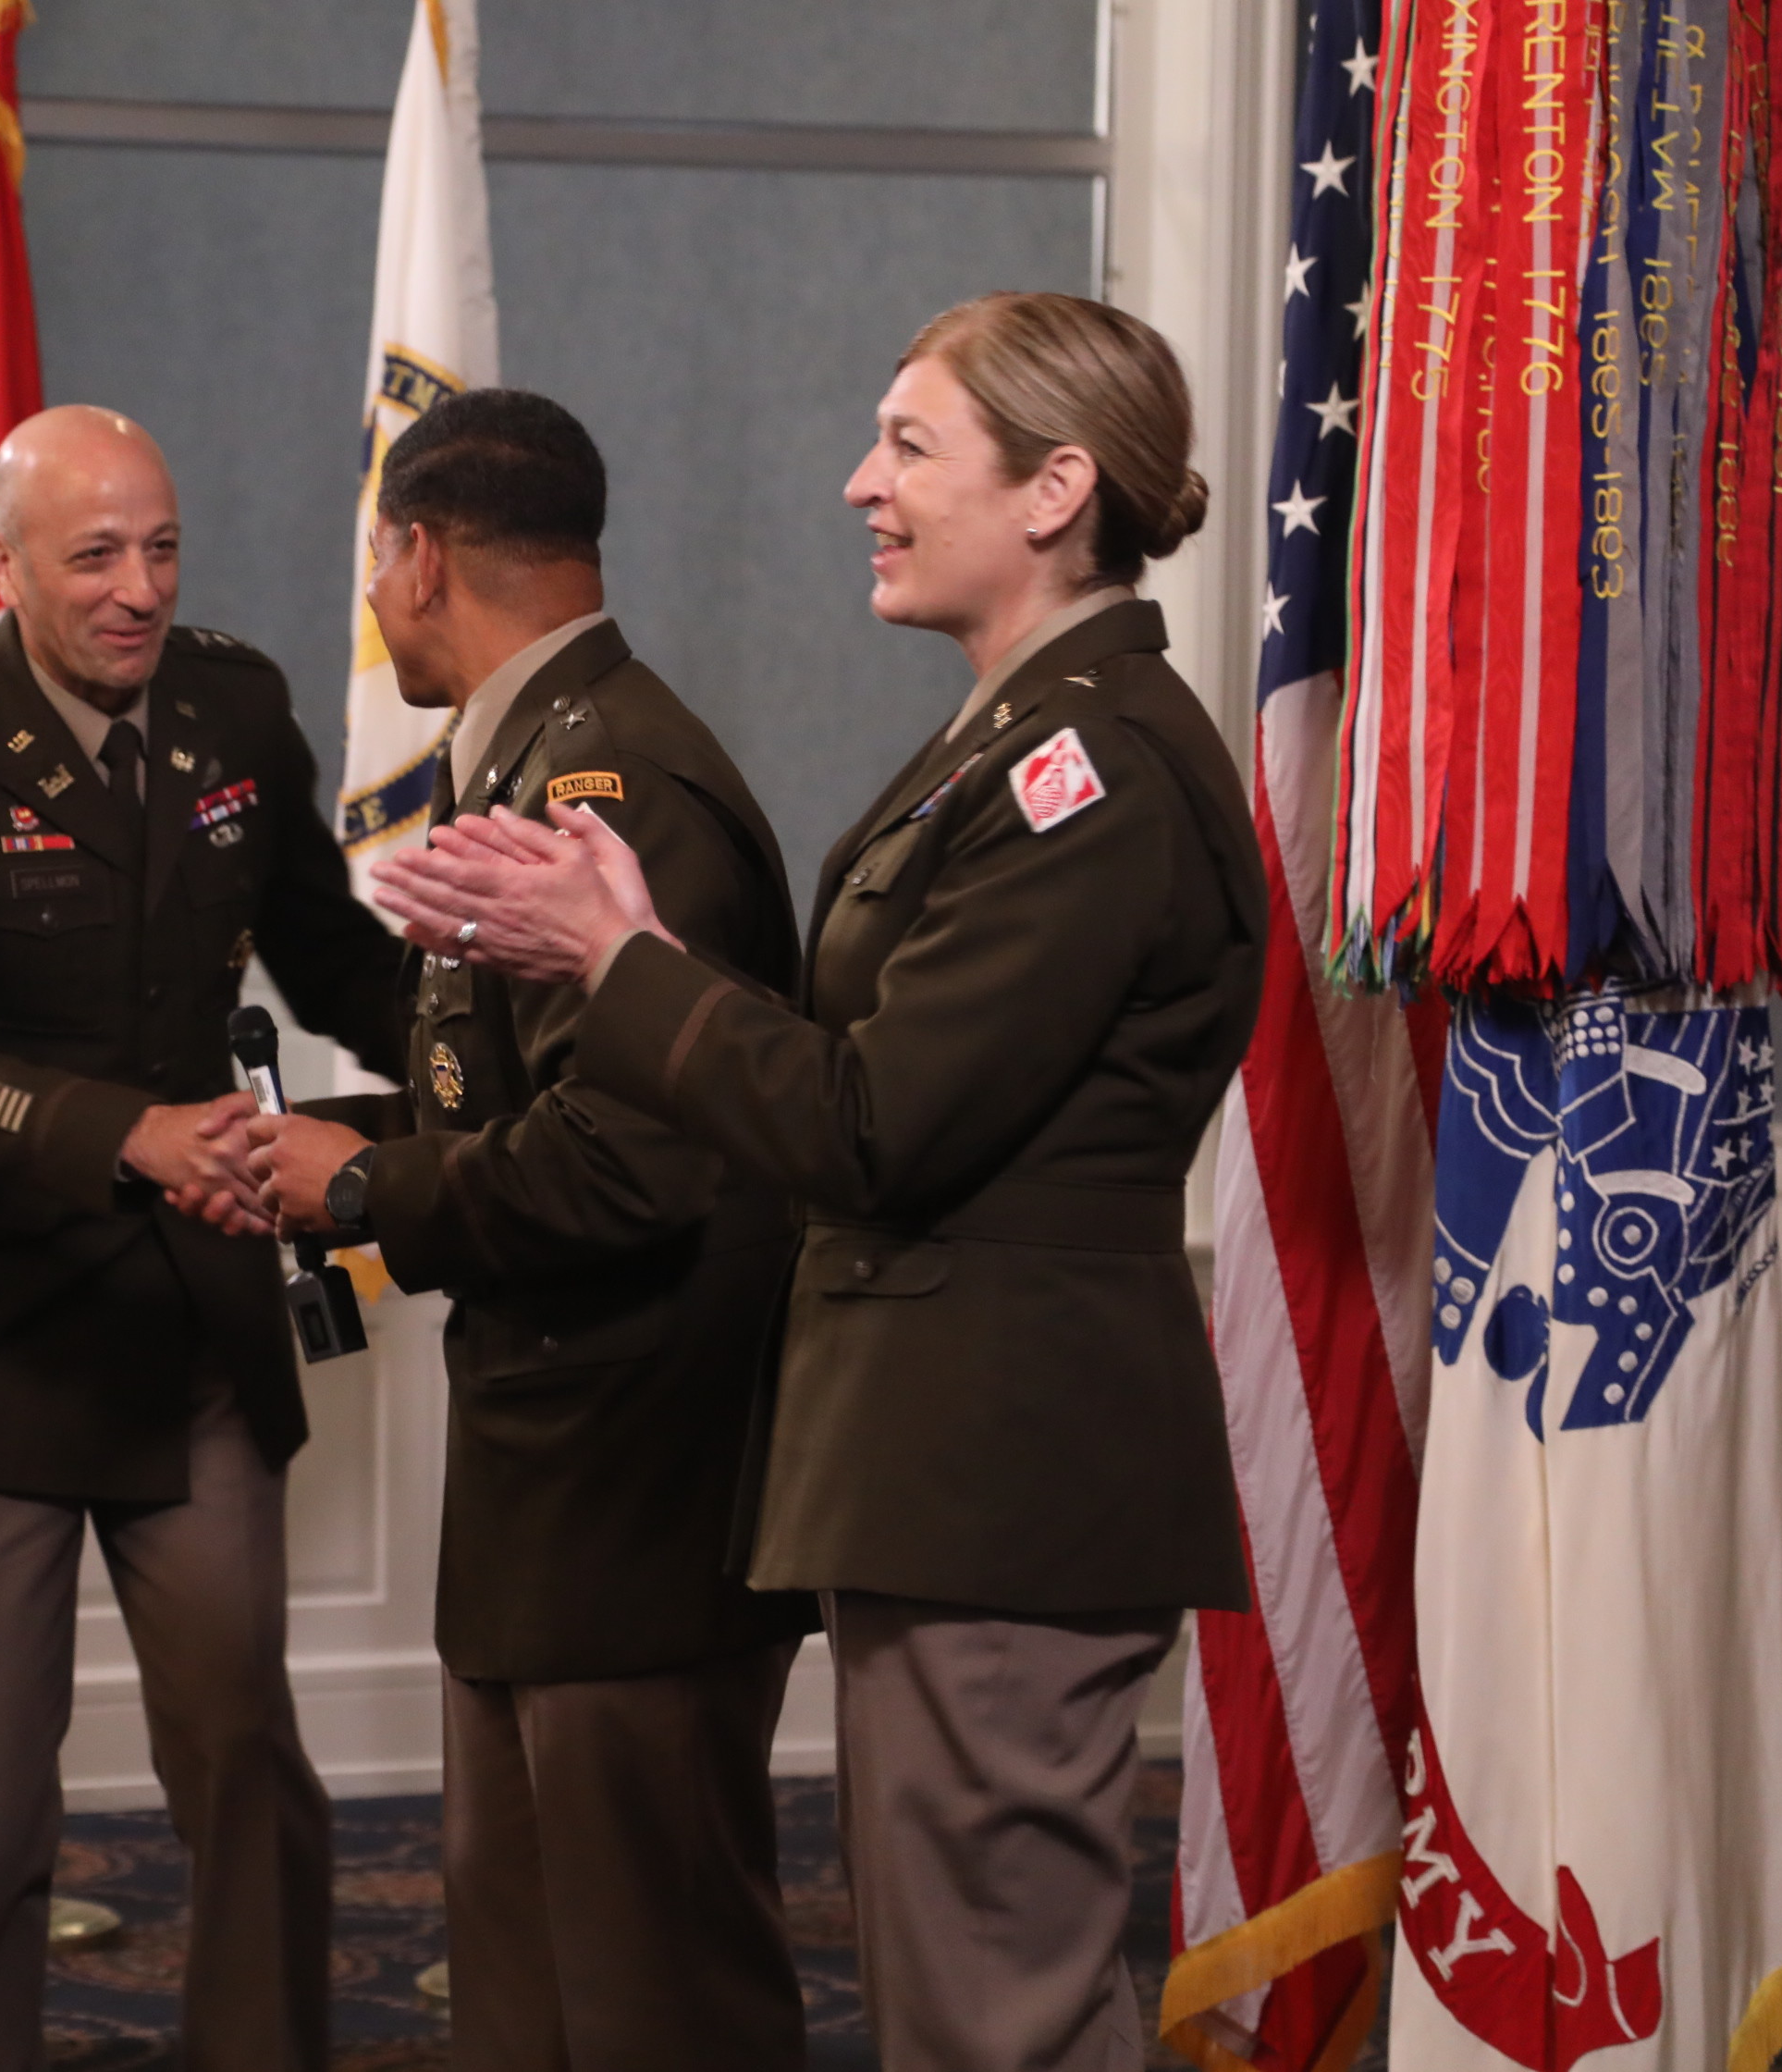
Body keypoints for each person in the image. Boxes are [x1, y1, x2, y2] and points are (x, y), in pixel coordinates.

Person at [375, 295, 1266, 2072]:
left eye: (911, 444)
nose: (862, 481)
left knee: (996, 2019)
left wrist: (619, 957)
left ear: (1053, 490)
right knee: (960, 2006)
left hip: (1003, 1469)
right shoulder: (1008, 743)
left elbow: (876, 1124)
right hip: (935, 1466)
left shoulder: (1093, 770)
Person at [0, 404, 410, 2072]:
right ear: (3, 566)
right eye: (93, 556)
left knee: (248, 1774)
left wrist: (478, 1057)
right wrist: (130, 1137)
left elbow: (327, 948)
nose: (138, 588)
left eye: (160, 546)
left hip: (187, 1330)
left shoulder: (234, 701)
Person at [238, 388, 813, 2072]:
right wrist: (329, 1140)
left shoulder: (608, 785)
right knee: (538, 1982)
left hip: (631, 1494)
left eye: (372, 560)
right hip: (563, 1492)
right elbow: (520, 1105)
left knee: (650, 1994)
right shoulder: (551, 749)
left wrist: (354, 1192)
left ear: (413, 556)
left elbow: (633, 1166)